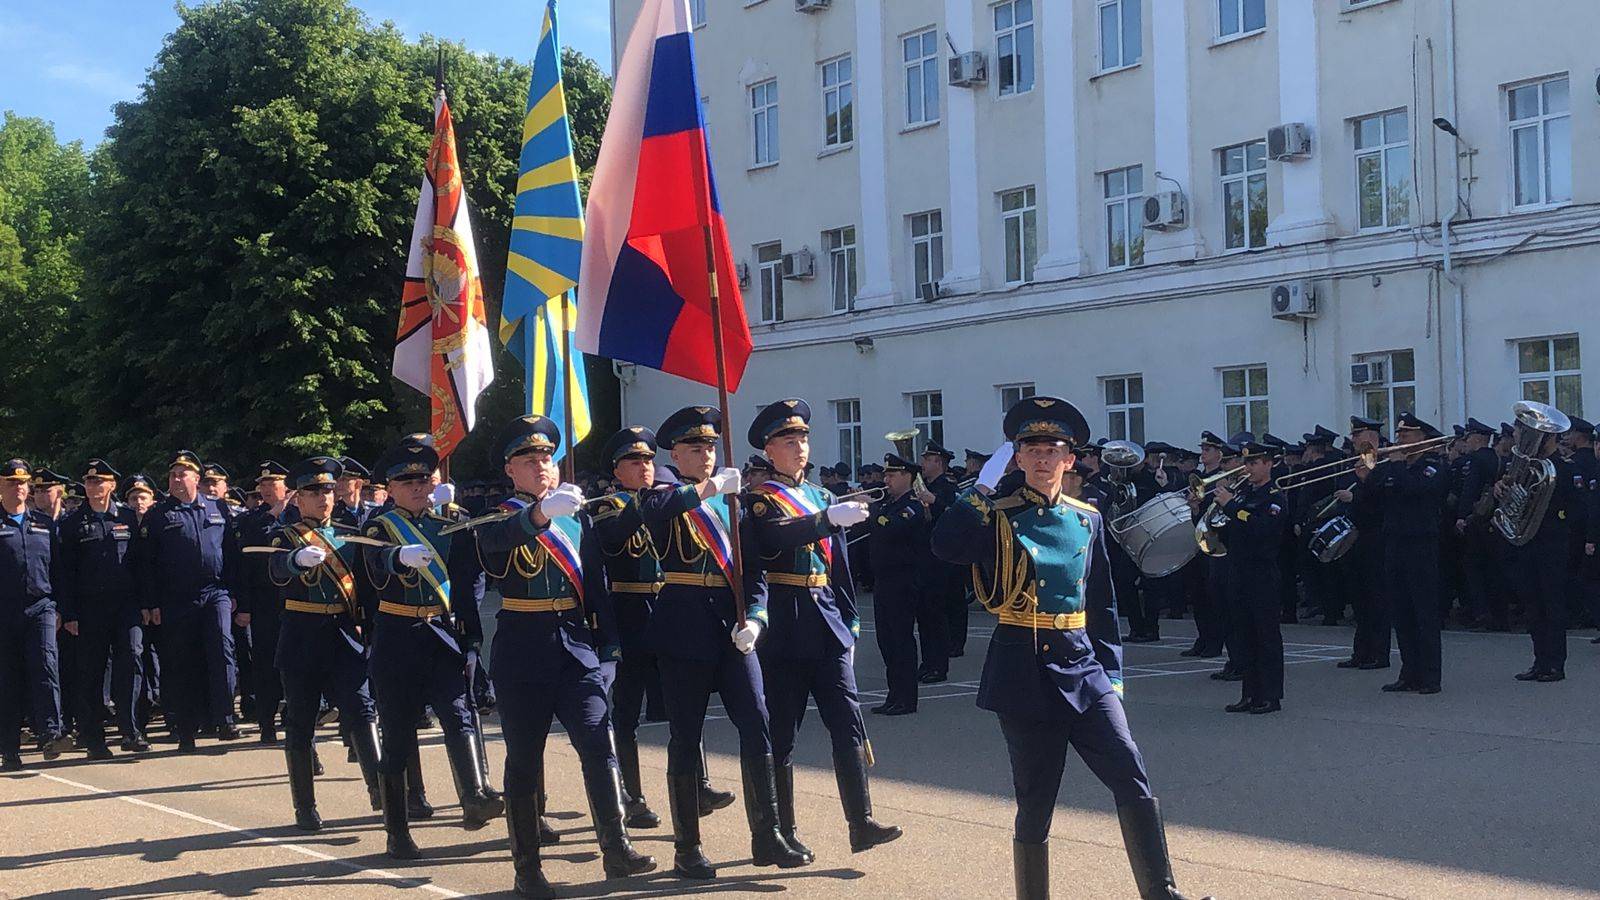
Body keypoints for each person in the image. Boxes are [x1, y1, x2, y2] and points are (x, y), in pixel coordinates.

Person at [931, 397, 1210, 900]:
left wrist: (1114, 674)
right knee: (1036, 799)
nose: (1041, 459)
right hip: (1023, 665)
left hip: (1083, 665)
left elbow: (1102, 603)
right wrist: (979, 491)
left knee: (1131, 775)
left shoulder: (1087, 518)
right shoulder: (997, 516)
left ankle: (1162, 893)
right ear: (1017, 459)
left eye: (1052, 449)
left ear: (1070, 459)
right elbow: (945, 548)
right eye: (1031, 450)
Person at [474, 416, 654, 896]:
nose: (541, 468)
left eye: (547, 459)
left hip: (576, 649)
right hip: (523, 650)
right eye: (529, 461)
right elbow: (492, 550)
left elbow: (596, 587)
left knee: (600, 747)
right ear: (510, 470)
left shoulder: (577, 518)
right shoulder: (496, 516)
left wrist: (610, 648)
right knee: (525, 761)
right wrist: (538, 516)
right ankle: (527, 868)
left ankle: (616, 848)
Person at [625, 405, 801, 880]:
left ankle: (768, 836)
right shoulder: (660, 495)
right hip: (684, 632)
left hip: (733, 629)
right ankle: (687, 847)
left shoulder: (733, 502)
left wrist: (759, 618)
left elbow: (755, 570)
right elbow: (658, 511)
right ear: (676, 456)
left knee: (757, 724)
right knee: (686, 736)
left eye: (709, 447)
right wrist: (706, 489)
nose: (705, 454)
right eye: (694, 448)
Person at [746, 399, 902, 858]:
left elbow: (840, 568)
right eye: (788, 441)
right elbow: (778, 537)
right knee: (782, 733)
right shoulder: (761, 501)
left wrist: (851, 621)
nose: (799, 448)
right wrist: (825, 520)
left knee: (847, 723)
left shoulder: (821, 496)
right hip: (786, 626)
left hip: (827, 623)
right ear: (769, 451)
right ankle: (780, 831)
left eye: (803, 439)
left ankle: (861, 821)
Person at [362, 439, 499, 859]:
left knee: (459, 715)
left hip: (441, 634)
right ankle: (397, 830)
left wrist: (473, 640)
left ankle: (474, 794)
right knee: (399, 735)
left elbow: (467, 579)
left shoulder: (451, 521)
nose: (418, 487)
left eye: (423, 479)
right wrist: (397, 557)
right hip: (398, 636)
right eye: (408, 481)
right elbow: (372, 569)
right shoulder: (379, 528)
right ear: (390, 487)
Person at [266, 457, 383, 830]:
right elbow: (274, 570)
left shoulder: (351, 534)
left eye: (328, 490)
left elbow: (366, 589)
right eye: (314, 491)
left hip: (345, 635)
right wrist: (295, 561)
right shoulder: (284, 536)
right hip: (302, 635)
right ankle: (305, 806)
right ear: (298, 498)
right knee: (301, 722)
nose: (323, 497)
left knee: (363, 711)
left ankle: (381, 789)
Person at [133, 450, 242, 751]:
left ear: (197, 478)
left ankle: (225, 717)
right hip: (175, 597)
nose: (178, 479)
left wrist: (234, 592)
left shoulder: (217, 507)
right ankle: (185, 728)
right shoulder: (158, 514)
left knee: (222, 648)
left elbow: (232, 553)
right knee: (180, 662)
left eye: (183, 474)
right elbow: (146, 563)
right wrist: (150, 601)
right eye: (173, 475)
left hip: (215, 592)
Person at [57, 459, 147, 759]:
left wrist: (146, 603)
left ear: (111, 485)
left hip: (126, 605)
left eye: (99, 481)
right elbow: (65, 572)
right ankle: (94, 738)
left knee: (132, 658)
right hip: (89, 608)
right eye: (89, 481)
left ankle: (131, 730)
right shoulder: (72, 523)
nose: (93, 486)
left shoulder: (127, 517)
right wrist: (69, 614)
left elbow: (140, 563)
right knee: (92, 673)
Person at [1357, 413, 1448, 694]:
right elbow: (1373, 498)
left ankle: (1430, 676)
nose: (1400, 440)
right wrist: (1366, 477)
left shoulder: (1433, 466)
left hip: (1421, 544)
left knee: (1424, 613)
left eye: (1406, 434)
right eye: (1399, 435)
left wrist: (1395, 468)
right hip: (1394, 542)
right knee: (1402, 612)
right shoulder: (1393, 467)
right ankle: (1409, 673)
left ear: (1423, 437)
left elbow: (1414, 490)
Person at [1, 460, 73, 770]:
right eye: (10, 482)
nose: (18, 487)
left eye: (22, 483)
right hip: (4, 610)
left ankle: (50, 733)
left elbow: (59, 570)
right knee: (9, 678)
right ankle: (9, 748)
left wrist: (61, 607)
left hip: (42, 606)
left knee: (46, 665)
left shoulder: (43, 523)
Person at [1210, 440, 1287, 715]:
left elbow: (1262, 529)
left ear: (1268, 464)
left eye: (1254, 463)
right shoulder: (1242, 494)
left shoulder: (1274, 496)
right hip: (1239, 569)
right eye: (1247, 463)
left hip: (1262, 571)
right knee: (1244, 634)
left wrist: (1232, 508)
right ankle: (1250, 693)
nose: (1249, 468)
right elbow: (1231, 532)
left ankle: (1270, 695)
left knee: (1265, 635)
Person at [1507, 416, 1578, 682]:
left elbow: (1573, 508)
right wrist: (1505, 489)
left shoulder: (1563, 468)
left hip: (1552, 542)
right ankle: (1540, 661)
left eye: (1533, 434)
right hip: (1527, 541)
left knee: (1552, 604)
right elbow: (1513, 499)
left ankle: (1555, 664)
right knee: (1533, 605)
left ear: (1548, 438)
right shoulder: (1525, 466)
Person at [232, 461, 295, 743]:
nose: (268, 489)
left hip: (294, 600)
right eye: (264, 485)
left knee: (294, 664)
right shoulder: (253, 518)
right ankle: (266, 723)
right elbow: (246, 560)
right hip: (264, 601)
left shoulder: (297, 515)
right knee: (266, 664)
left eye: (274, 484)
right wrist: (244, 605)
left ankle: (295, 718)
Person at [866, 451, 930, 716]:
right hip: (885, 580)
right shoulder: (890, 504)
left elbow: (891, 528)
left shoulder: (912, 506)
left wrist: (868, 508)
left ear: (907, 476)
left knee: (901, 641)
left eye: (892, 474)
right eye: (886, 474)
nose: (887, 479)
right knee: (887, 641)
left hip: (903, 582)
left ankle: (906, 698)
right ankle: (894, 694)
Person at [921, 441, 964, 672]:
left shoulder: (946, 486)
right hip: (929, 551)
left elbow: (955, 514)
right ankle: (936, 654)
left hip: (947, 553)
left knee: (949, 602)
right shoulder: (926, 485)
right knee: (932, 607)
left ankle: (953, 645)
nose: (923, 464)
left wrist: (934, 501)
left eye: (927, 460)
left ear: (938, 462)